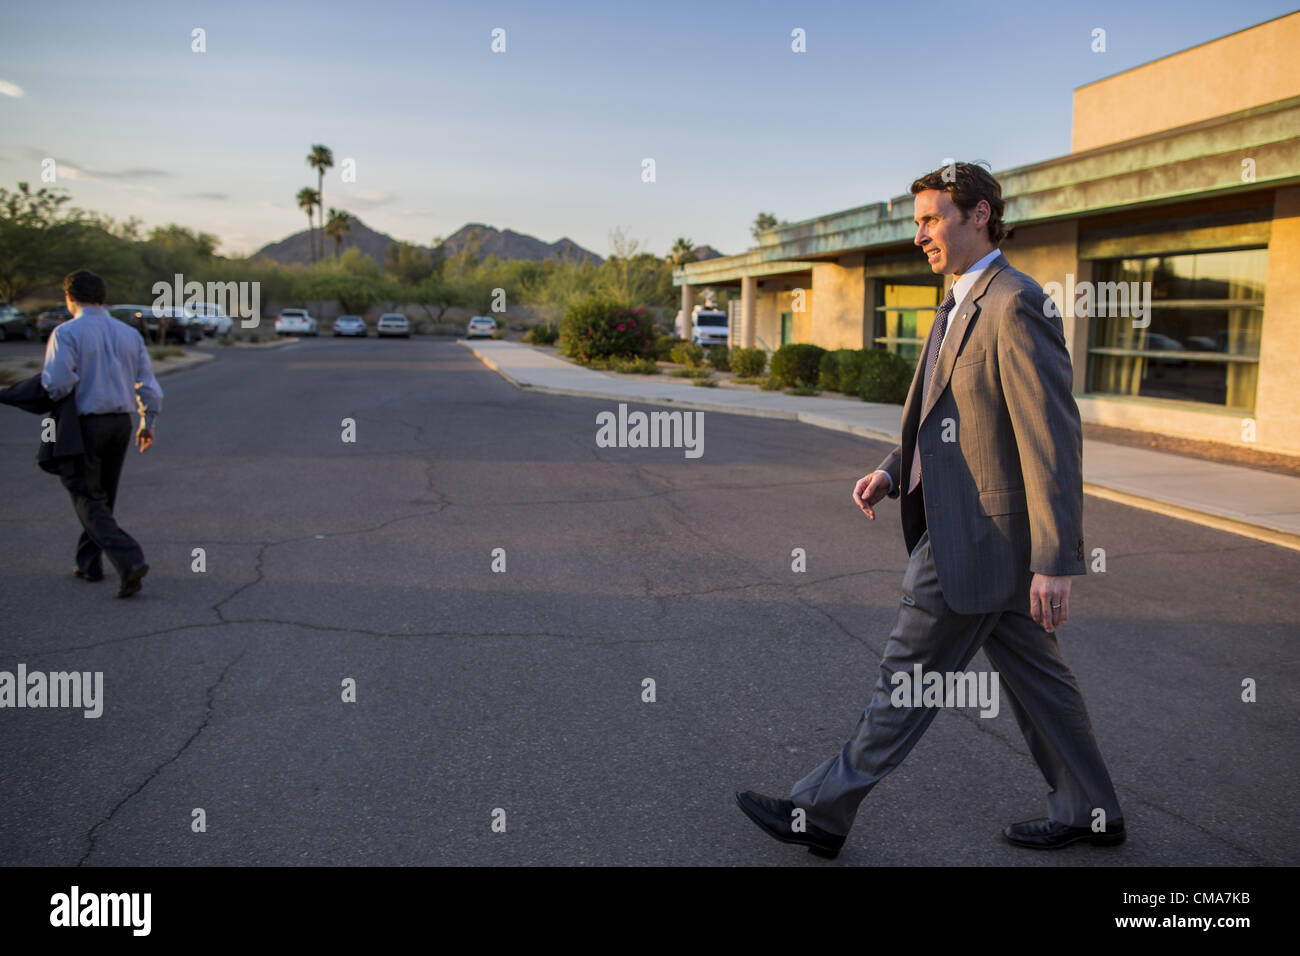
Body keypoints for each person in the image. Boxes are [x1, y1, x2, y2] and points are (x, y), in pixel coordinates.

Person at [736, 163, 1124, 859]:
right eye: (916, 222)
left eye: (931, 219)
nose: (919, 236)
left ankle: (820, 812)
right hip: (977, 537)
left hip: (973, 536)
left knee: (906, 675)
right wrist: (892, 469)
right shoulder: (955, 302)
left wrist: (1056, 560)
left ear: (979, 216)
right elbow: (950, 416)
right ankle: (1092, 812)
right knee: (1040, 683)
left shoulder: (1014, 303)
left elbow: (1051, 440)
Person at [40, 270, 160, 598]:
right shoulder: (128, 334)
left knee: (83, 493)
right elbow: (149, 386)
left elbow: (56, 383)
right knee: (103, 496)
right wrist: (147, 423)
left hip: (85, 425)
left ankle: (128, 558)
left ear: (69, 298)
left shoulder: (67, 333)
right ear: (102, 298)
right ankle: (89, 564)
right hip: (120, 424)